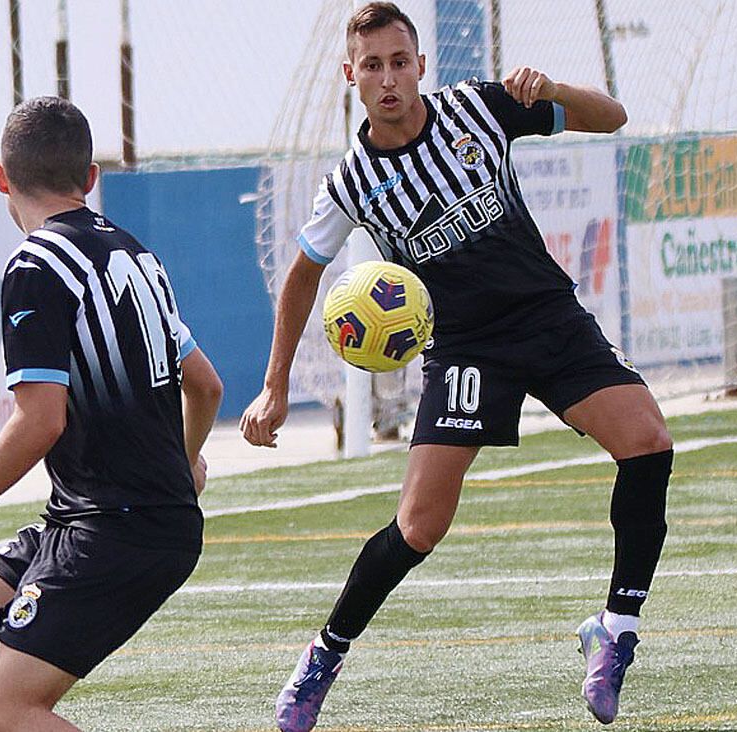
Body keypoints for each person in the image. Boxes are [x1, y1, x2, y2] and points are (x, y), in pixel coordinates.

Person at [240, 3, 672, 729]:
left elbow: (614, 116)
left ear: (420, 66)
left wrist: (554, 89)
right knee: (418, 526)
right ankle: (324, 655)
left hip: (547, 317)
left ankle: (616, 629)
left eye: (399, 62)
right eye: (371, 66)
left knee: (649, 440)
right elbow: (302, 275)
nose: (387, 79)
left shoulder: (479, 108)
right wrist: (275, 384)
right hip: (466, 350)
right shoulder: (350, 182)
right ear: (352, 75)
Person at [0, 96, 223, 732]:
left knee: (5, 711)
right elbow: (206, 385)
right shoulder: (137, 255)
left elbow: (41, 423)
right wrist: (182, 458)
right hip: (90, 518)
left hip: (122, 528)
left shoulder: (36, 266)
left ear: (0, 177)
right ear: (91, 177)